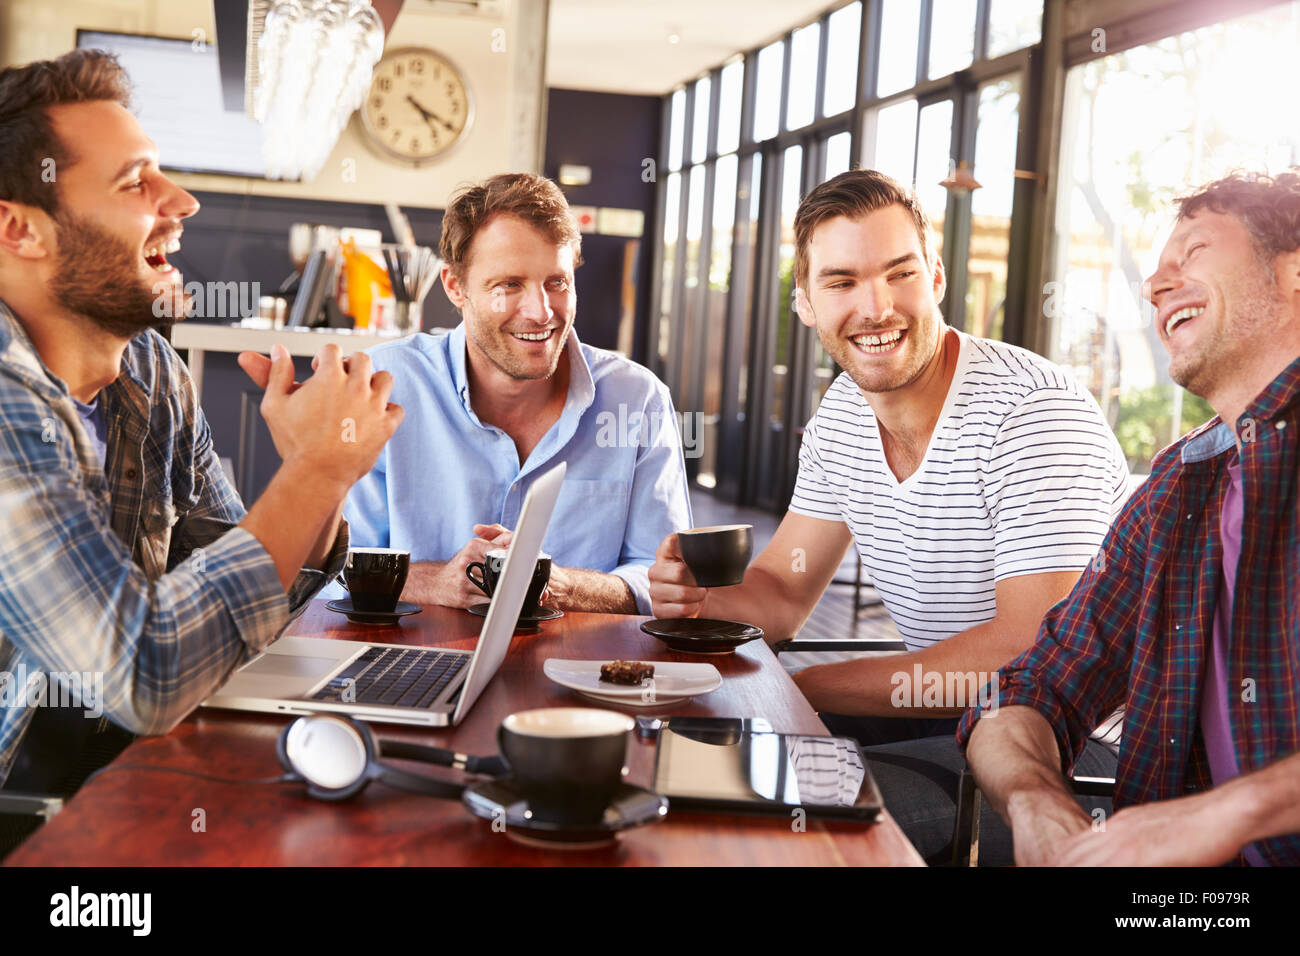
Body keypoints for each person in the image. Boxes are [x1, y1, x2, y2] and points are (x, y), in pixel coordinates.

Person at [648, 169, 1128, 863]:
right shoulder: (844, 416)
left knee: (766, 821)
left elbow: (1026, 653)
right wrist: (700, 599)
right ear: (806, 303)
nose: (875, 308)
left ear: (934, 277)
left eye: (898, 274)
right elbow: (781, 592)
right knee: (684, 767)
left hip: (1074, 756)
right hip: (947, 716)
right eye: (841, 282)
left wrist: (801, 690)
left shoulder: (1032, 416)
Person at [0, 50, 402, 805]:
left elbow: (250, 597)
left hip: (111, 769)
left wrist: (323, 480)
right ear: (20, 228)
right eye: (136, 181)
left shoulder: (149, 369)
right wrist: (312, 471)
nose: (181, 201)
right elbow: (146, 673)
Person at [959, 169, 1300, 866]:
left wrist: (1227, 815)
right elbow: (1030, 688)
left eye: (1194, 251)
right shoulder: (1177, 491)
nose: (1155, 285)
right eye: (1154, 272)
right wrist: (1037, 802)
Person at [334, 173, 691, 615]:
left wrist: (560, 585)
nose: (540, 312)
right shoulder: (384, 384)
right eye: (510, 285)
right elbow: (338, 566)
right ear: (455, 287)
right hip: (418, 660)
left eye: (556, 283)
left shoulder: (636, 399)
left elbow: (662, 579)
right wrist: (436, 582)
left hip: (585, 672)